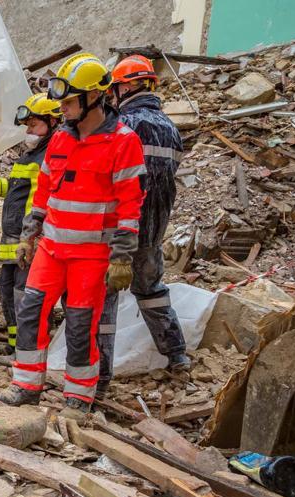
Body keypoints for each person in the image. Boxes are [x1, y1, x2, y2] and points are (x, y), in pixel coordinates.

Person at [0, 53, 145, 420]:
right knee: (30, 312)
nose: (62, 108)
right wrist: (30, 234)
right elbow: (44, 192)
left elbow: (131, 205)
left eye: (68, 101)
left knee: (80, 324)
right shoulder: (61, 138)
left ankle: (78, 395)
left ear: (93, 97)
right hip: (51, 248)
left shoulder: (123, 142)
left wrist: (122, 256)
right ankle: (26, 385)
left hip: (91, 254)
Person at [94, 55, 189, 398]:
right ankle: (177, 355)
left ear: (129, 86)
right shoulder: (172, 129)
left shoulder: (123, 124)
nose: (112, 94)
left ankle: (100, 378)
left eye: (115, 88)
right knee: (152, 293)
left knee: (104, 302)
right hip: (153, 230)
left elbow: (110, 179)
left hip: (120, 228)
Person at [0, 93, 62, 367]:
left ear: (52, 122)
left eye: (34, 125)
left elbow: (44, 200)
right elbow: (16, 192)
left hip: (30, 239)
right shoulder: (28, 156)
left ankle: (28, 350)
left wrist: (32, 237)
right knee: (7, 290)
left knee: (26, 295)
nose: (29, 131)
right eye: (27, 126)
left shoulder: (51, 156)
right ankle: (15, 346)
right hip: (12, 239)